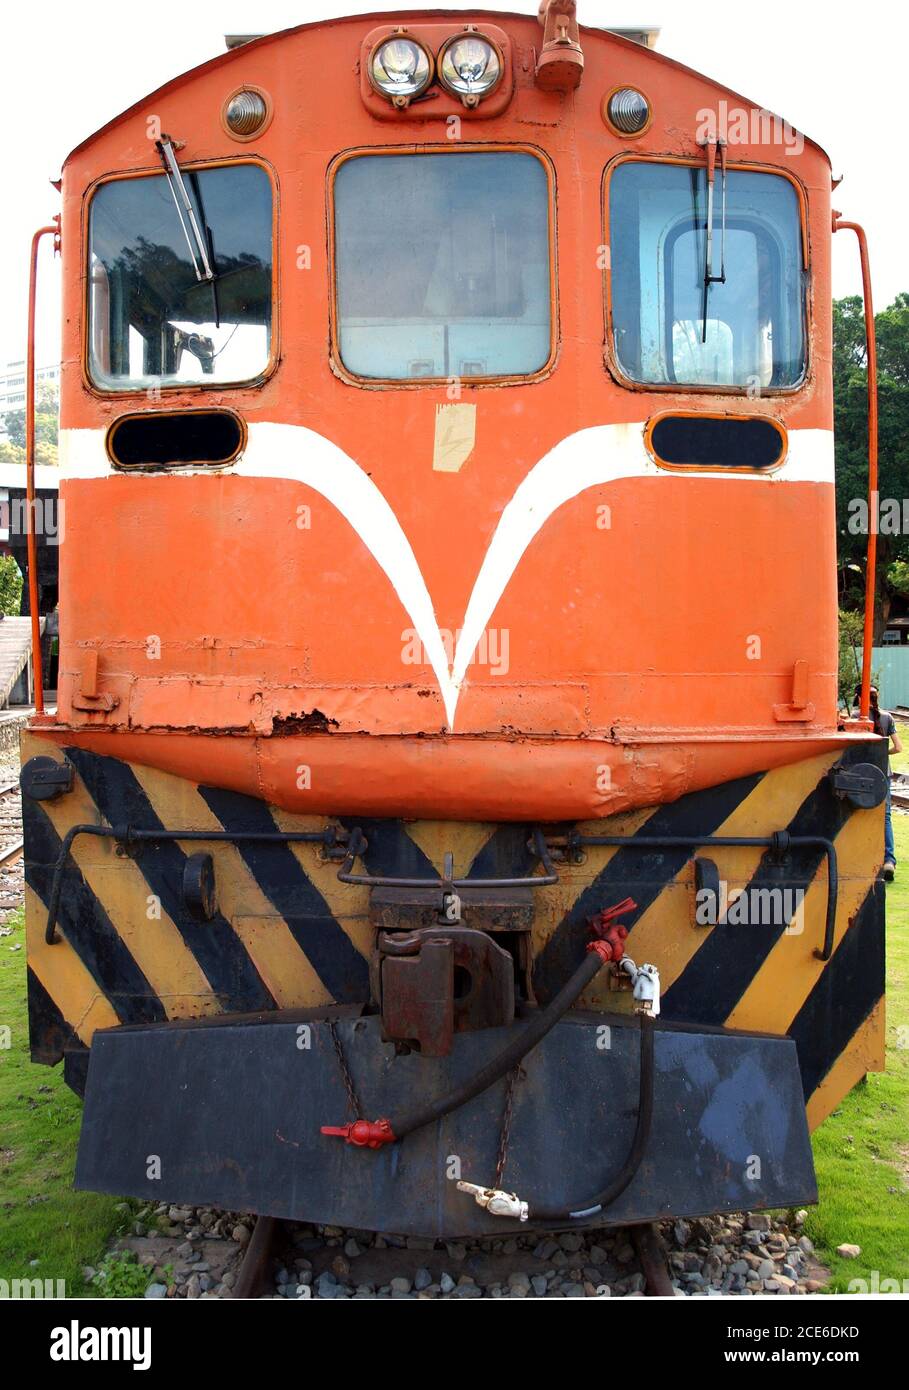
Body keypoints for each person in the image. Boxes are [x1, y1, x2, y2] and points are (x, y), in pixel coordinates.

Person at [853, 685, 902, 881]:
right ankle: (889, 860)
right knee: (886, 816)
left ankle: (862, 858)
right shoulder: (887, 717)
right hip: (883, 772)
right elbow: (898, 748)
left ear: (859, 697)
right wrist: (883, 754)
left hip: (861, 771)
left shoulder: (855, 717)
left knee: (856, 814)